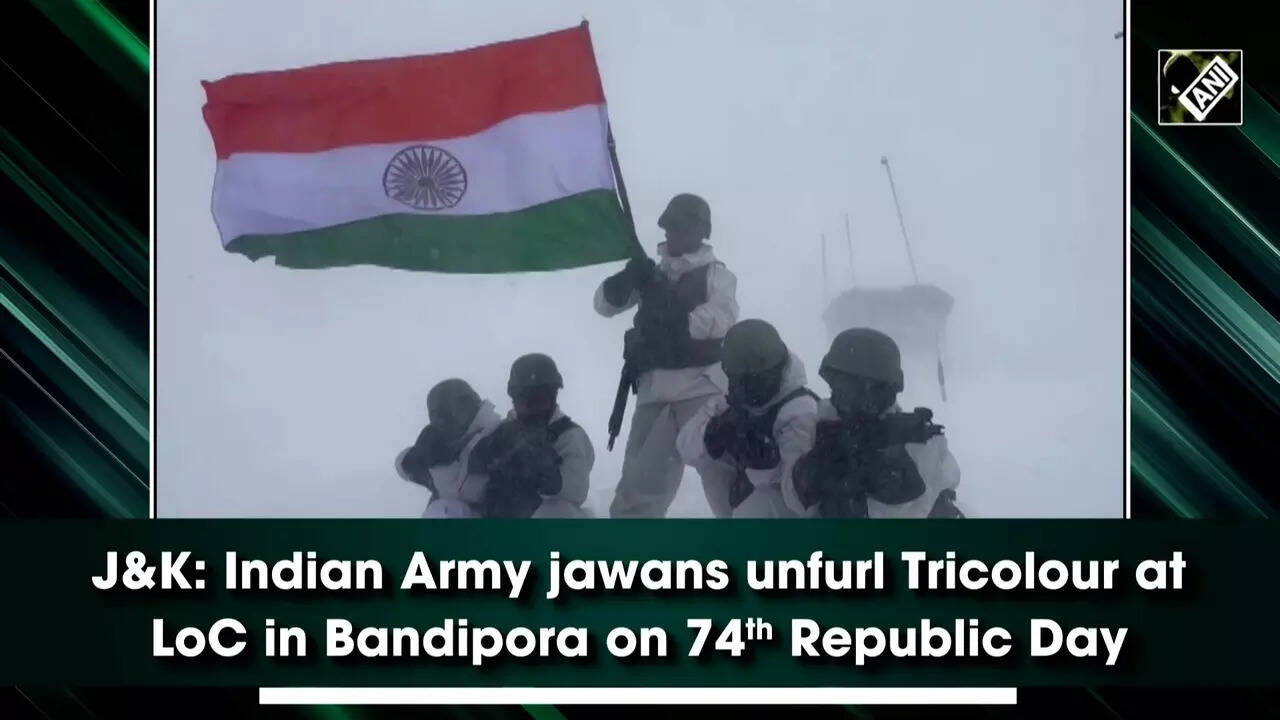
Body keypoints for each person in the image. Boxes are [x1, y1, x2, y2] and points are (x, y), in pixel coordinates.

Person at [595, 193, 740, 518]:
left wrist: (676, 320)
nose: (679, 234)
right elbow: (604, 306)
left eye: (687, 227)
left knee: (726, 481)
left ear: (702, 233)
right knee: (638, 491)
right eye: (674, 227)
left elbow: (723, 317)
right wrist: (626, 280)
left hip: (701, 390)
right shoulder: (651, 275)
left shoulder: (716, 274)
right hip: (653, 393)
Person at [784, 328, 965, 519]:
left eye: (852, 389)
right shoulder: (818, 421)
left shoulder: (919, 442)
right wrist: (824, 461)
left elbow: (908, 514)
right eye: (840, 385)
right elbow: (793, 500)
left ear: (882, 392)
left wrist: (876, 468)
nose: (842, 396)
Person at [677, 319, 819, 518]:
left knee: (758, 502)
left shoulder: (799, 411)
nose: (742, 388)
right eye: (737, 380)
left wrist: (767, 470)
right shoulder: (733, 401)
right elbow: (685, 446)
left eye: (753, 381)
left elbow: (802, 499)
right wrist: (714, 433)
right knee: (711, 462)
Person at [468, 353, 594, 518]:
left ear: (553, 397)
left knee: (556, 510)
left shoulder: (568, 435)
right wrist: (483, 454)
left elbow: (577, 489)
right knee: (447, 509)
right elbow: (467, 487)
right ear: (513, 400)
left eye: (538, 399)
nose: (531, 408)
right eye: (523, 400)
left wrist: (551, 479)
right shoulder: (502, 430)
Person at [395, 378, 503, 518]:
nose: (445, 422)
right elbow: (403, 465)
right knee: (441, 509)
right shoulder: (439, 449)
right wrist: (419, 455)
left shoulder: (498, 436)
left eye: (453, 412)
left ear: (471, 406)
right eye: (439, 417)